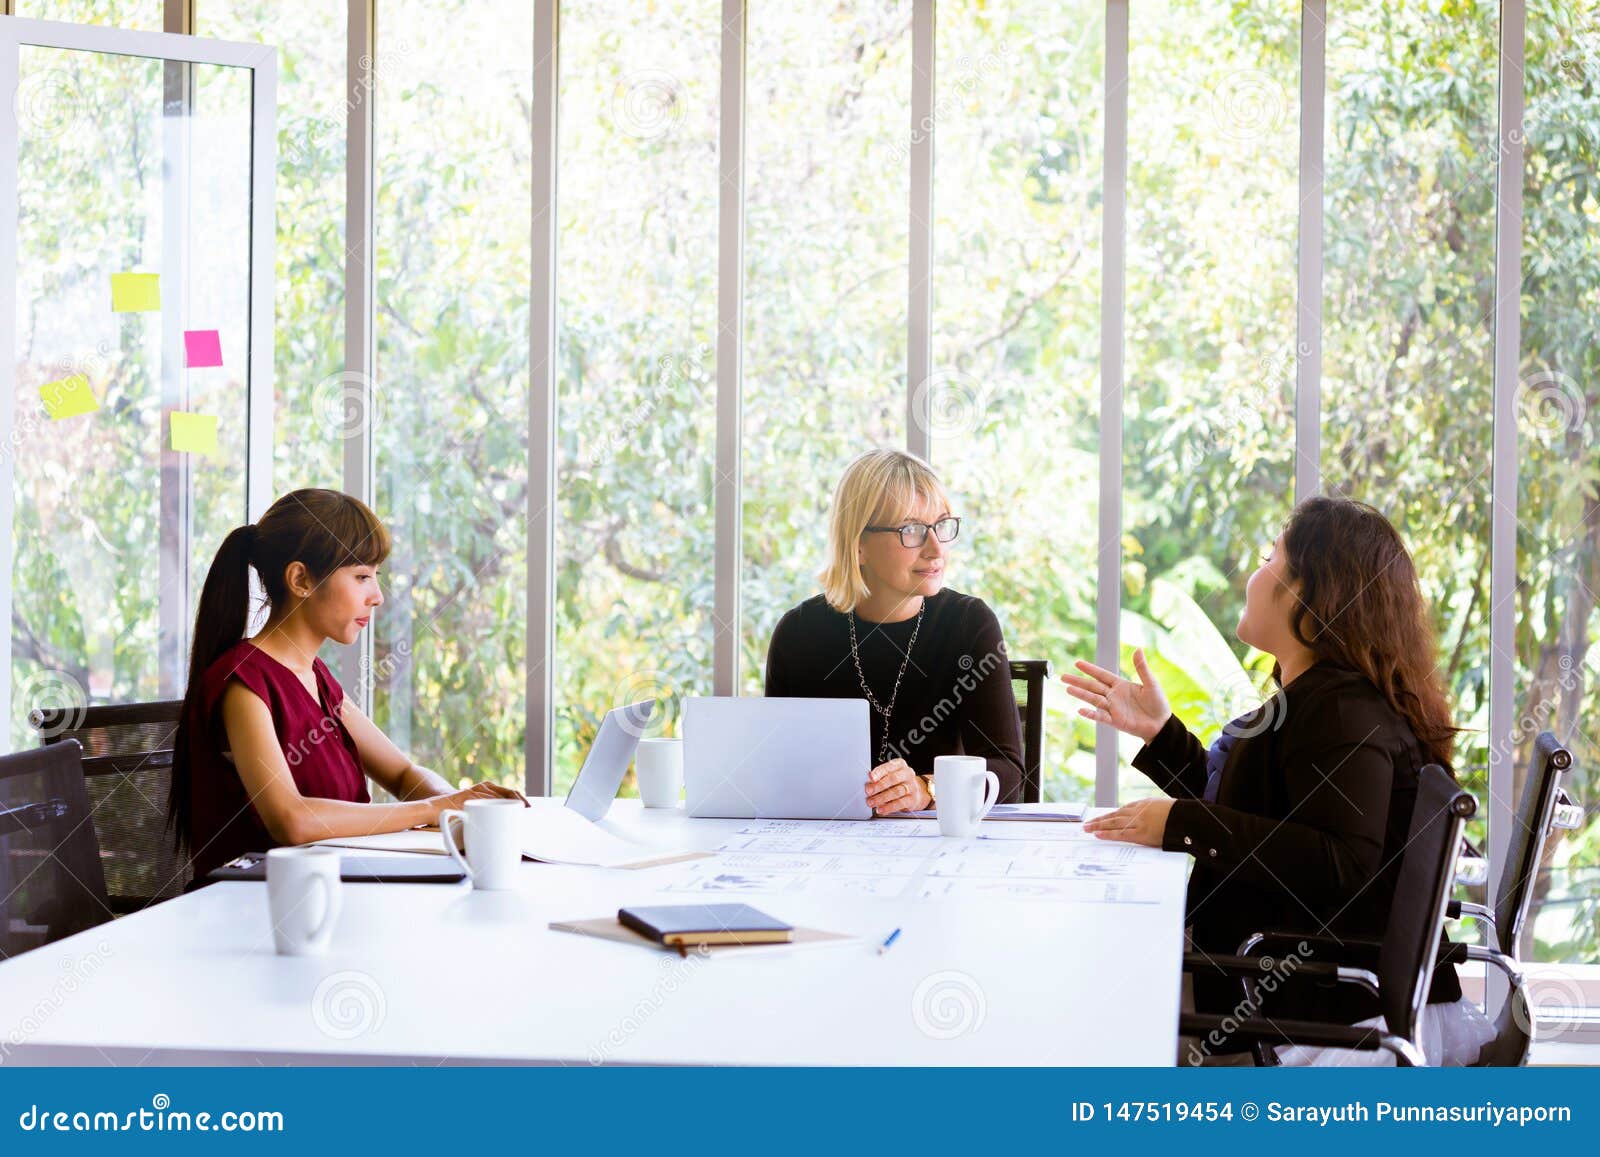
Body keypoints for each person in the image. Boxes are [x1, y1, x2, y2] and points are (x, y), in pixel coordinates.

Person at [1063, 496, 1491, 1065]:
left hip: (1315, 1011)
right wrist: (1160, 734)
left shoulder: (1342, 710)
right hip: (1284, 981)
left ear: (1313, 596)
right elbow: (1265, 815)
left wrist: (1182, 824)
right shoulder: (1320, 696)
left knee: (1086, 1000)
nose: (1252, 576)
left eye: (1270, 559)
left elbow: (1342, 862)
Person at [168, 489, 524, 883]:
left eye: (376, 576)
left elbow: (403, 774)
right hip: (255, 911)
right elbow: (292, 821)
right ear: (301, 579)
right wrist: (435, 809)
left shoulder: (317, 678)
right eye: (361, 577)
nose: (377, 596)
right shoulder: (243, 685)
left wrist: (464, 812)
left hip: (329, 892)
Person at [764, 449, 1023, 814]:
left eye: (942, 526)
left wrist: (926, 789)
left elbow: (1008, 773)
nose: (936, 550)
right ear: (859, 546)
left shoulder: (969, 624)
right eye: (912, 530)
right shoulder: (798, 633)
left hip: (935, 850)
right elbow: (776, 772)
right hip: (827, 844)